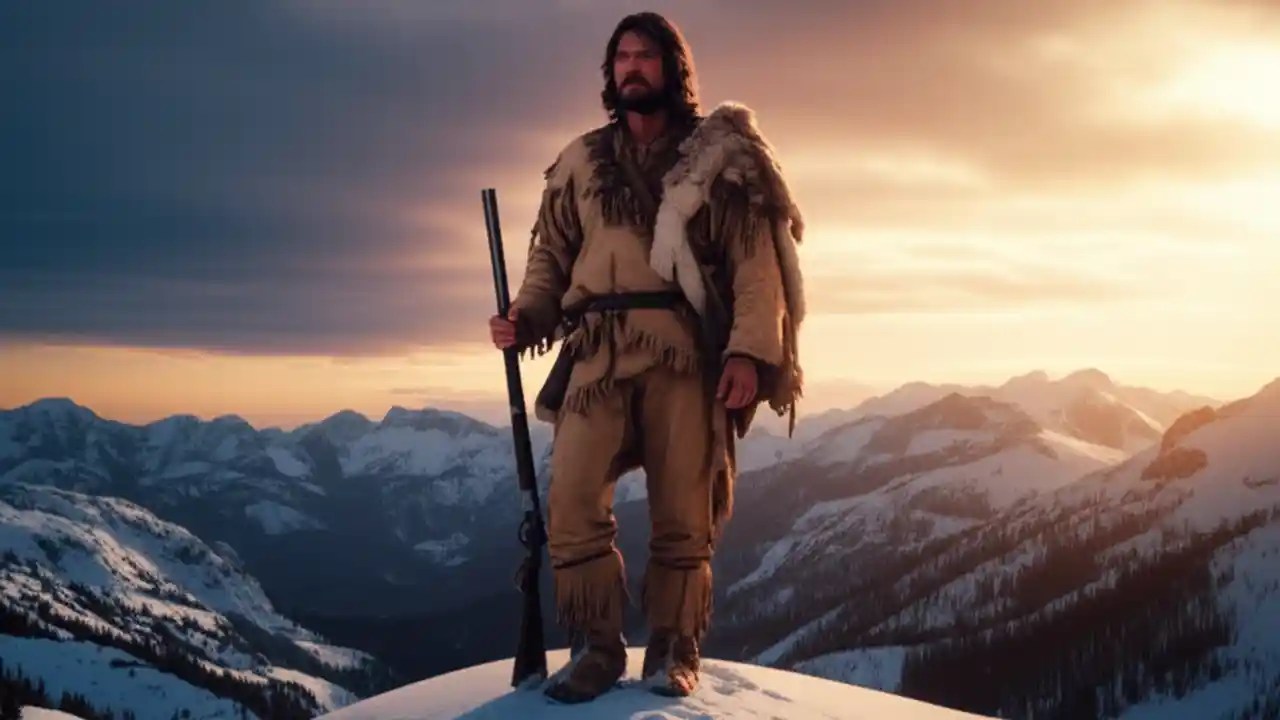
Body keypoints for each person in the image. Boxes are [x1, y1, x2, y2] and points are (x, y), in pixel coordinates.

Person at [489, 11, 805, 703]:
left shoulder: (717, 160)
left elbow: (756, 269)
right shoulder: (579, 160)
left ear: (673, 68)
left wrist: (750, 353)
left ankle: (672, 645)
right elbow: (551, 257)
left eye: (645, 56)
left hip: (683, 352)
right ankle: (596, 646)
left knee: (684, 510)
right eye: (621, 57)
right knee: (570, 500)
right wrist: (528, 314)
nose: (632, 67)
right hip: (595, 350)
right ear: (611, 73)